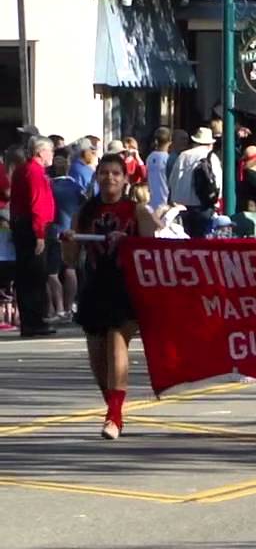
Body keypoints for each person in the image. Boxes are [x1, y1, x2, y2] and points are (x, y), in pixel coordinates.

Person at [59, 153, 157, 439]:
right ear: (97, 177)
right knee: (97, 359)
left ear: (125, 179)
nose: (109, 178)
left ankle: (113, 416)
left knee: (117, 342)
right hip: (95, 286)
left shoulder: (137, 210)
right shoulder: (84, 213)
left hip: (125, 285)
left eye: (116, 173)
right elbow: (70, 259)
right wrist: (68, 240)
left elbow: (152, 248)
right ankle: (114, 409)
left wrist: (128, 242)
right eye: (104, 173)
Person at [9, 136, 56, 337]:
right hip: (33, 227)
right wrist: (39, 234)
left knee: (29, 275)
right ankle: (33, 321)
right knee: (34, 275)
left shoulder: (24, 170)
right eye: (50, 151)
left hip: (25, 225)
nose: (52, 155)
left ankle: (32, 321)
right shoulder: (34, 172)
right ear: (40, 152)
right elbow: (36, 203)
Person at [49, 155, 84, 322]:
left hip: (54, 231)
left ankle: (58, 309)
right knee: (70, 269)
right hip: (72, 231)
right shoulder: (76, 186)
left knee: (52, 272)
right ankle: (69, 308)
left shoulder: (50, 186)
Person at [167, 127, 220, 239]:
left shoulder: (183, 156)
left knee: (185, 238)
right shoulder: (211, 157)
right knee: (202, 239)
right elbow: (218, 183)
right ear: (210, 143)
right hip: (204, 205)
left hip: (182, 205)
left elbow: (172, 181)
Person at [146, 127, 173, 210]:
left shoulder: (150, 157)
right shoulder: (168, 159)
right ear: (170, 142)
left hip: (152, 201)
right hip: (165, 202)